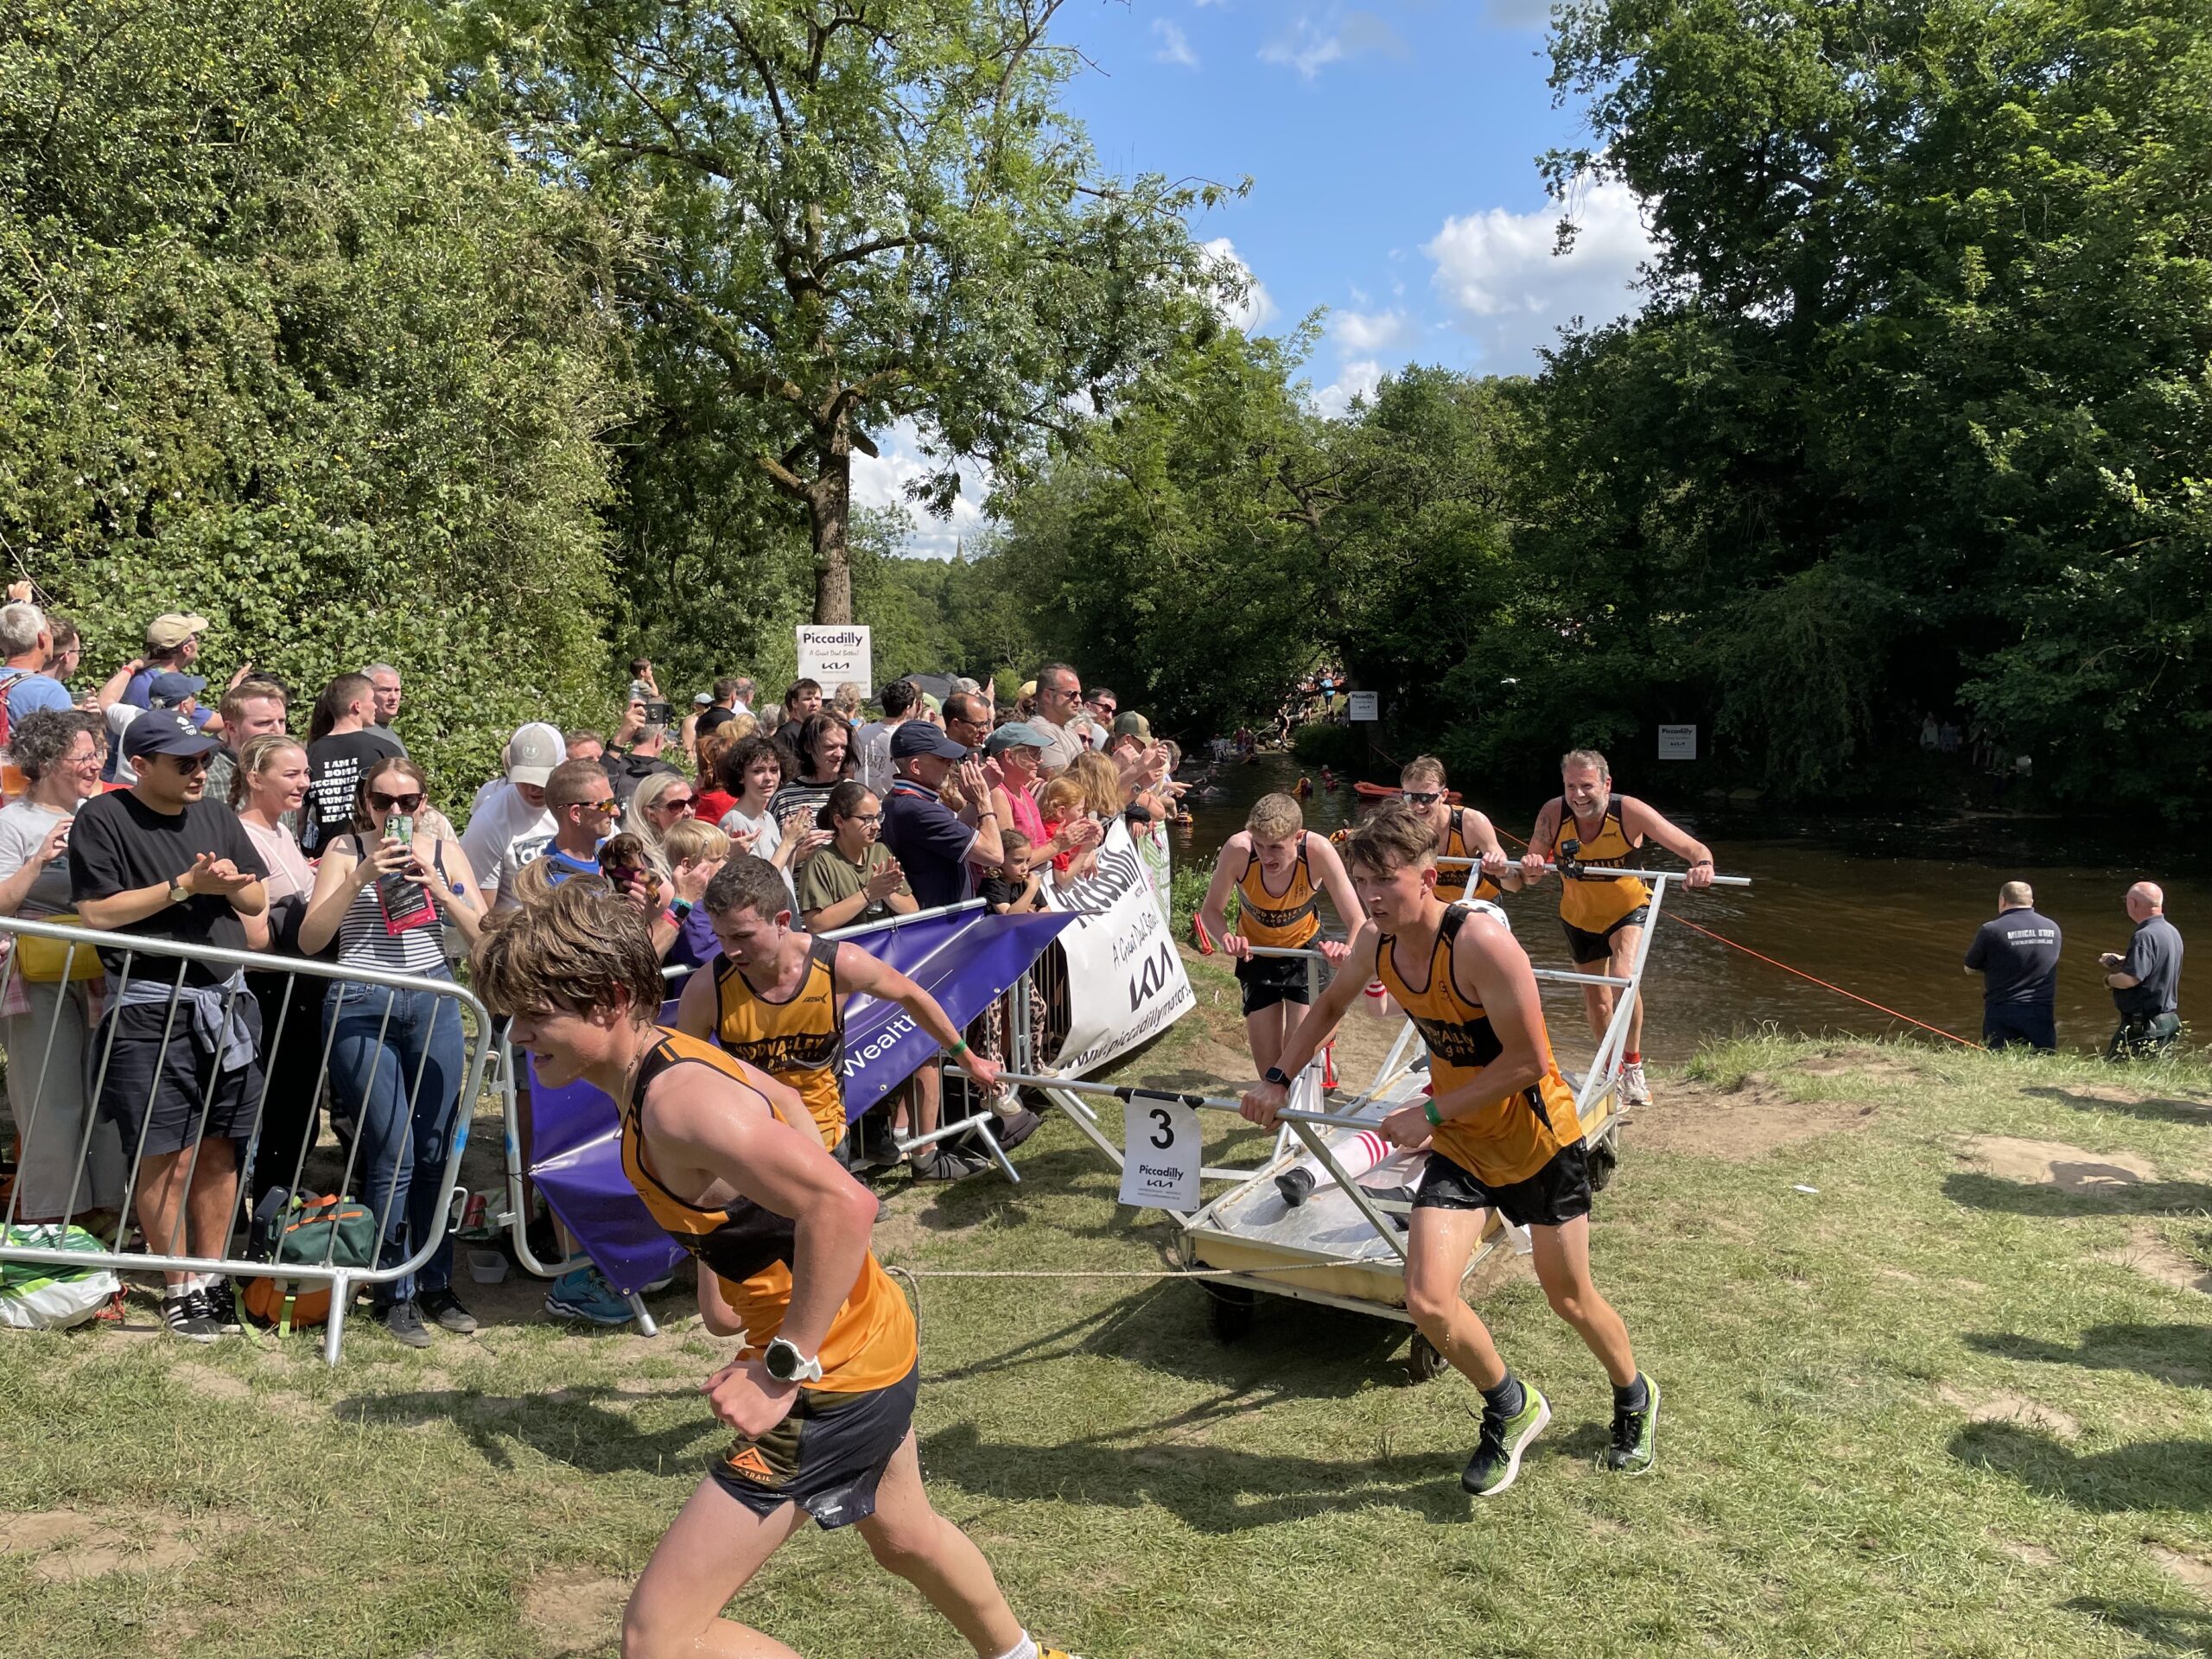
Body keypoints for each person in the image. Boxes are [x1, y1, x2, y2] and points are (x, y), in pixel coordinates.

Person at [472, 886, 1074, 1659]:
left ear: (611, 1000)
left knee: (660, 1640)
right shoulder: (667, 1058)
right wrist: (737, 1270)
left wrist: (782, 1364)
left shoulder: (680, 1104)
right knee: (905, 1535)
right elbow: (786, 1101)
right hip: (868, 1343)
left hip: (833, 1381)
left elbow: (846, 1206)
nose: (518, 1034)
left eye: (534, 1014)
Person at [1241, 804, 1657, 1493]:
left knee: (1570, 1298)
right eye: (1362, 881)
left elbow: (1529, 1061)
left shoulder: (1480, 944)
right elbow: (1330, 1006)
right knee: (1427, 1300)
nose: (1372, 896)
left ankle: (1634, 1395)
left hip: (1536, 1140)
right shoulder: (1376, 941)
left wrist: (1428, 1111)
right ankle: (1511, 1406)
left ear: (1428, 877)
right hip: (1463, 1143)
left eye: (1386, 880)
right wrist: (1278, 1077)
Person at [68, 709, 270, 1341]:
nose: (199, 772)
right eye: (184, 763)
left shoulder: (216, 816)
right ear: (140, 765)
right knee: (166, 1156)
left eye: (203, 760)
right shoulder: (103, 818)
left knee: (219, 1149)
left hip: (226, 1005)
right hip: (150, 1010)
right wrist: (184, 885)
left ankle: (210, 1279)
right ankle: (180, 1285)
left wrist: (230, 886)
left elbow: (257, 901)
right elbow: (98, 914)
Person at [297, 755, 487, 1346]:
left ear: (423, 803)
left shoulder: (444, 850)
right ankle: (392, 1290)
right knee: (393, 1151)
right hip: (361, 998)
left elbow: (484, 937)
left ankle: (435, 1283)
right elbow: (311, 939)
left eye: (407, 801)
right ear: (366, 803)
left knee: (433, 1150)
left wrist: (440, 889)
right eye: (383, 801)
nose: (395, 811)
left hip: (433, 997)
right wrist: (360, 876)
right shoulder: (345, 849)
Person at [675, 855, 1022, 1178]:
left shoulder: (836, 964)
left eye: (742, 936)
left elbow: (912, 995)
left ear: (782, 921)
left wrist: (967, 1058)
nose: (731, 950)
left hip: (826, 1137)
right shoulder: (707, 988)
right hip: (755, 1142)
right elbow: (683, 1074)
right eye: (721, 937)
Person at [1519, 750, 1714, 1107]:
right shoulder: (1553, 813)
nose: (1578, 795)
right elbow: (1531, 878)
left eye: (1587, 786)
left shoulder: (1629, 812)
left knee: (1624, 978)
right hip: (1579, 917)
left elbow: (1692, 847)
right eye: (1570, 786)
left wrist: (1702, 865)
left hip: (1628, 910)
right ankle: (1613, 1071)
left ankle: (1634, 1065)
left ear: (1607, 784)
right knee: (1597, 1002)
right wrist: (1531, 864)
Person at [0, 709, 125, 1224]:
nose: (95, 765)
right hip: (36, 972)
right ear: (49, 761)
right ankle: (54, 1219)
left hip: (100, 968)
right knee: (49, 1095)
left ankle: (109, 1209)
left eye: (98, 754)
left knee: (106, 1092)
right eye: (84, 756)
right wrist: (38, 860)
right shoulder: (12, 821)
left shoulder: (104, 813)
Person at [1195, 792, 1363, 1084]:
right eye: (1259, 845)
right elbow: (1210, 911)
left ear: (1297, 837)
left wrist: (1346, 952)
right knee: (1271, 1076)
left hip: (1304, 954)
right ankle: (1312, 1052)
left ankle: (1320, 1044)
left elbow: (1358, 920)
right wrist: (1226, 938)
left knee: (1293, 1062)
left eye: (1275, 847)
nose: (1266, 857)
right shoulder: (1238, 850)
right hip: (1256, 956)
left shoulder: (1318, 851)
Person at [230, 731, 330, 1199]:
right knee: (277, 1106)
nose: (304, 783)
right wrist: (305, 933)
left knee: (299, 1108)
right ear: (255, 778)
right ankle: (260, 1207)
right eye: (291, 774)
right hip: (269, 990)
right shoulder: (241, 836)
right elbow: (254, 938)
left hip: (298, 986)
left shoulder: (282, 831)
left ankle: (279, 1202)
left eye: (306, 772)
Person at [883, 721, 1003, 913]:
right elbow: (994, 855)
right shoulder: (917, 809)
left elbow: (957, 832)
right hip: (941, 921)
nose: (951, 762)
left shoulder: (906, 799)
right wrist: (983, 800)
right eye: (942, 758)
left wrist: (981, 791)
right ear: (916, 767)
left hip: (944, 917)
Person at [461, 723, 566, 915]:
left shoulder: (583, 802)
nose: (532, 788)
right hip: (521, 929)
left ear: (564, 767)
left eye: (542, 778)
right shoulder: (489, 821)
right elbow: (481, 913)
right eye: (524, 778)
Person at [301, 672, 405, 856]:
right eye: (372, 700)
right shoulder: (385, 750)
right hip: (375, 854)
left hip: (328, 856)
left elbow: (299, 819)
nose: (375, 706)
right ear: (357, 706)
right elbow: (403, 808)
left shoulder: (310, 754)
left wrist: (302, 857)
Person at [798, 783, 914, 934]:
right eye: (867, 819)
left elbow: (913, 909)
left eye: (878, 817)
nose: (877, 826)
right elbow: (815, 925)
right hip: (845, 948)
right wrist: (868, 894)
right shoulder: (821, 862)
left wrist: (887, 894)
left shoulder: (880, 852)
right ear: (839, 821)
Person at [1398, 756, 1516, 904]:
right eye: (1411, 798)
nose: (1419, 806)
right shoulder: (1401, 827)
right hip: (1437, 905)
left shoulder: (1472, 823)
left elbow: (1514, 886)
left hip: (1480, 903)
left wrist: (1503, 872)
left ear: (1443, 795)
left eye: (1426, 798)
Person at [1962, 882, 2062, 1052]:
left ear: (2002, 900)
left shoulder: (1991, 930)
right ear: (2031, 901)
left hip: (2003, 1010)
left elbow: (1969, 968)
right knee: (2042, 1057)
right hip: (2041, 1010)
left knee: (2000, 1059)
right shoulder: (2053, 928)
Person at [2101, 882, 2183, 1058]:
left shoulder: (2144, 935)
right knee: (2156, 1072)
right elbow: (2157, 964)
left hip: (2144, 1026)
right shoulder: (2170, 931)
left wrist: (2108, 980)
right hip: (2167, 1021)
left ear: (2132, 903)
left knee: (2117, 1069)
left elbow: (2130, 980)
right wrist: (2124, 961)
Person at [200, 679, 290, 812]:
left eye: (281, 722)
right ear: (232, 728)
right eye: (264, 723)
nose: (277, 730)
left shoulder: (288, 772)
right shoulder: (208, 780)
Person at [770, 713, 853, 831]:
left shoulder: (856, 793)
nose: (839, 754)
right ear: (808, 747)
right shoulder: (785, 798)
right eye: (830, 747)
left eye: (843, 747)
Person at [605, 701, 686, 807]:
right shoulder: (671, 774)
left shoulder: (612, 767)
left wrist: (619, 740)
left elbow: (599, 798)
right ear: (659, 738)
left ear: (631, 735)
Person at [624, 771, 699, 880]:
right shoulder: (640, 863)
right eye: (676, 805)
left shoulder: (698, 845)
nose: (689, 812)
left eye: (692, 801)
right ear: (652, 815)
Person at [855, 680, 919, 798]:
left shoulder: (863, 732)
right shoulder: (907, 737)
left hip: (863, 799)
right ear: (907, 708)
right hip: (894, 800)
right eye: (915, 703)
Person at [1027, 663, 1090, 777]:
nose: (1079, 700)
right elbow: (1063, 782)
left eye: (1079, 694)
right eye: (1072, 694)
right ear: (1047, 696)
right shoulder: (1040, 730)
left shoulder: (1070, 731)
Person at [980, 831, 1043, 915]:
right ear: (1001, 860)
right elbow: (1010, 916)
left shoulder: (1027, 882)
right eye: (1018, 861)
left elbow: (1045, 910)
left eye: (1028, 861)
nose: (1025, 868)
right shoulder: (993, 884)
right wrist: (1032, 889)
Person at [362, 663, 405, 746]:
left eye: (397, 690)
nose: (393, 697)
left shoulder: (388, 732)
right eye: (385, 690)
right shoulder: (361, 734)